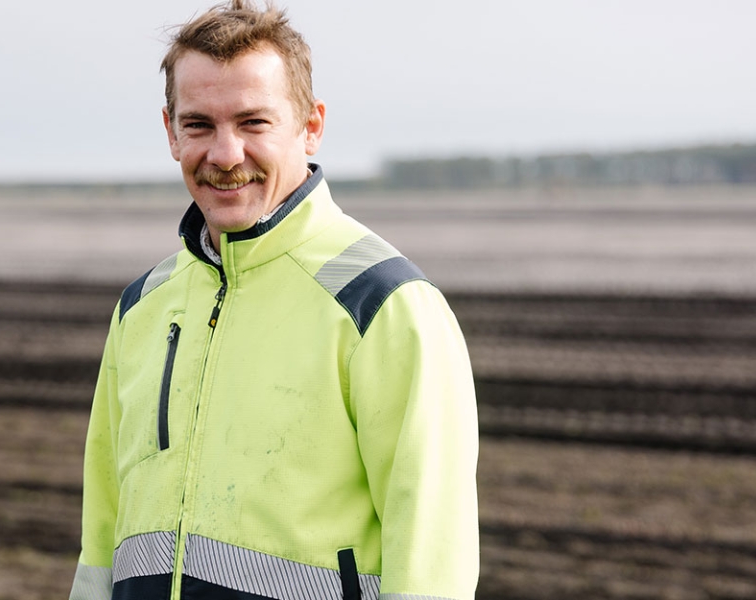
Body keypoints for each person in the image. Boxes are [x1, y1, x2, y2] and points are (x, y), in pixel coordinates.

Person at [69, 2, 479, 599]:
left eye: (253, 122)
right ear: (170, 131)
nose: (226, 154)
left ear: (310, 126)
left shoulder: (383, 305)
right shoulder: (143, 306)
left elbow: (432, 565)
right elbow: (101, 542)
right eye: (199, 125)